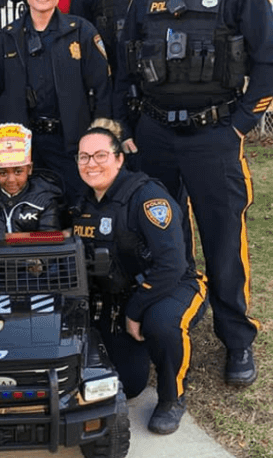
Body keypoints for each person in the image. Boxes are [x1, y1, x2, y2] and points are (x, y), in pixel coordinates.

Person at [115, 0, 273, 387]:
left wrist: (241, 124)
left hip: (214, 136)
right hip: (156, 136)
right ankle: (174, 323)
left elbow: (269, 59)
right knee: (164, 240)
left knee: (223, 242)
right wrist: (126, 129)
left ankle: (237, 339)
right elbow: (125, 69)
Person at [71, 120, 207, 434]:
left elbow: (171, 265)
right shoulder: (82, 201)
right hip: (119, 295)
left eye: (101, 155)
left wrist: (135, 311)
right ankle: (142, 346)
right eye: (84, 157)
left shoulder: (147, 197)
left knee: (161, 323)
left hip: (173, 286)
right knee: (129, 384)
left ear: (119, 158)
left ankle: (172, 398)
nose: (91, 164)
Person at [0, 0, 112, 198]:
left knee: (75, 208)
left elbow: (103, 92)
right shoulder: (7, 38)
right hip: (20, 150)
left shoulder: (81, 32)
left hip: (71, 145)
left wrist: (100, 143)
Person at [0, 123, 64, 235]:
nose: (11, 180)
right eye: (3, 173)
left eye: (18, 172)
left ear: (29, 169)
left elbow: (49, 241)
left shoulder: (45, 199)